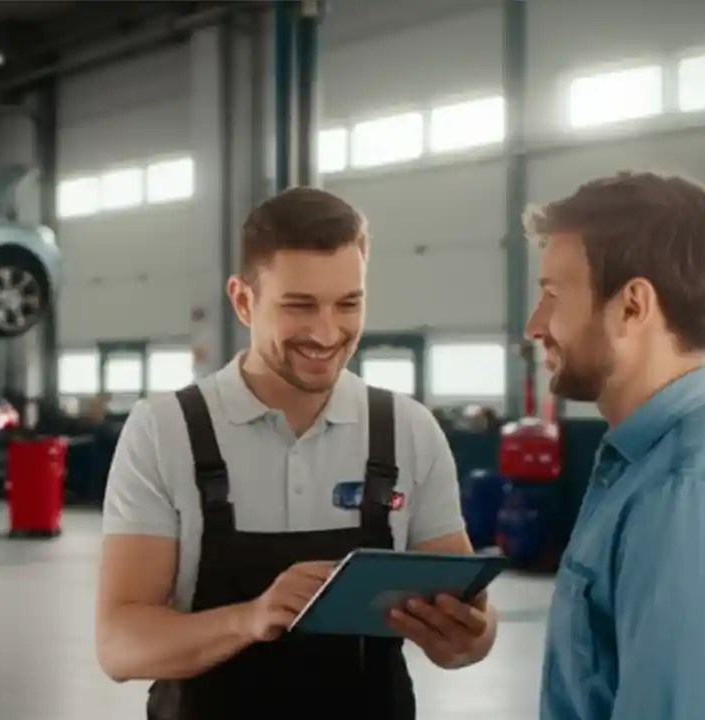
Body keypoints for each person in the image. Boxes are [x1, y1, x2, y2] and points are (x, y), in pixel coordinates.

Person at [94, 187, 497, 719]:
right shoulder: (165, 431)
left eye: (348, 304)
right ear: (243, 301)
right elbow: (120, 645)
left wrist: (470, 637)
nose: (327, 332)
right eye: (300, 306)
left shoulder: (409, 431)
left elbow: (470, 633)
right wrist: (247, 619)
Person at [526, 171, 705, 720]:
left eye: (552, 295)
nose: (535, 324)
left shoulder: (685, 498)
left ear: (632, 306)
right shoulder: (656, 463)